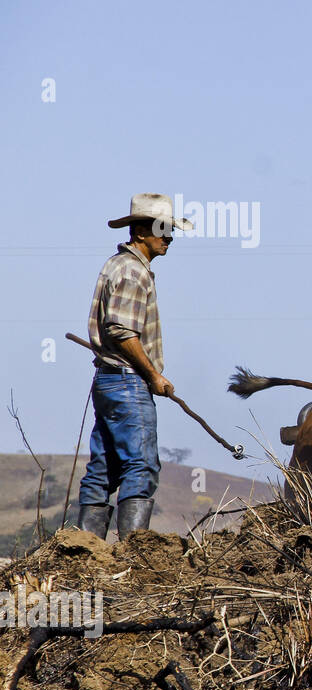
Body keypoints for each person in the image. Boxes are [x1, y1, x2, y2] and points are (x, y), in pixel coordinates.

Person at [76, 194, 191, 538]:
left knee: (103, 467)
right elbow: (122, 330)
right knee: (140, 466)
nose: (168, 237)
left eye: (171, 230)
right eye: (162, 229)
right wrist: (153, 374)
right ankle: (133, 554)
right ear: (140, 231)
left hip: (109, 382)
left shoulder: (118, 265)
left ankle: (85, 548)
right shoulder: (131, 271)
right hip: (127, 383)